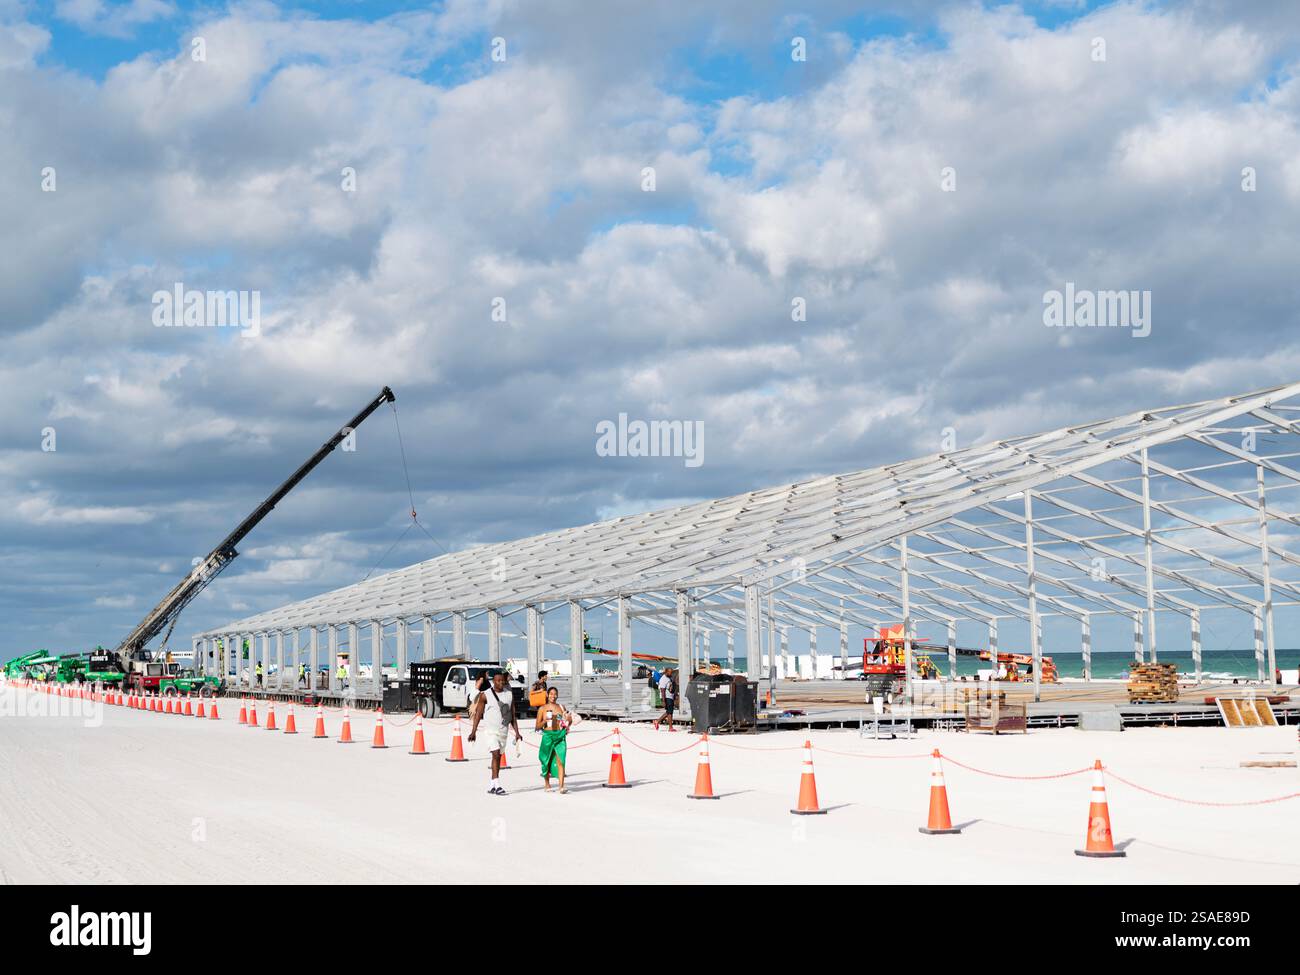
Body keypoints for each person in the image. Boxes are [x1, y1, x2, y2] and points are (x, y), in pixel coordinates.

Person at [468, 670, 522, 795]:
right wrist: (473, 731)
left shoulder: (509, 695)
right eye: (498, 680)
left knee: (498, 756)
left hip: (503, 732)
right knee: (496, 754)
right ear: (493, 681)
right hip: (490, 731)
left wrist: (517, 733)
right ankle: (497, 785)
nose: (501, 682)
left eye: (502, 680)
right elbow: (478, 714)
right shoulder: (485, 695)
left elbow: (512, 716)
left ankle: (492, 785)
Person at [534, 686, 570, 793]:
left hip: (559, 736)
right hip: (548, 735)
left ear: (557, 695)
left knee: (561, 760)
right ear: (547, 695)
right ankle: (547, 783)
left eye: (555, 694)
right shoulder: (542, 708)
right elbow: (537, 727)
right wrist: (545, 721)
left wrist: (568, 721)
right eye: (551, 694)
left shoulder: (561, 707)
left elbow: (567, 722)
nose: (553, 696)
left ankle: (561, 786)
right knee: (546, 761)